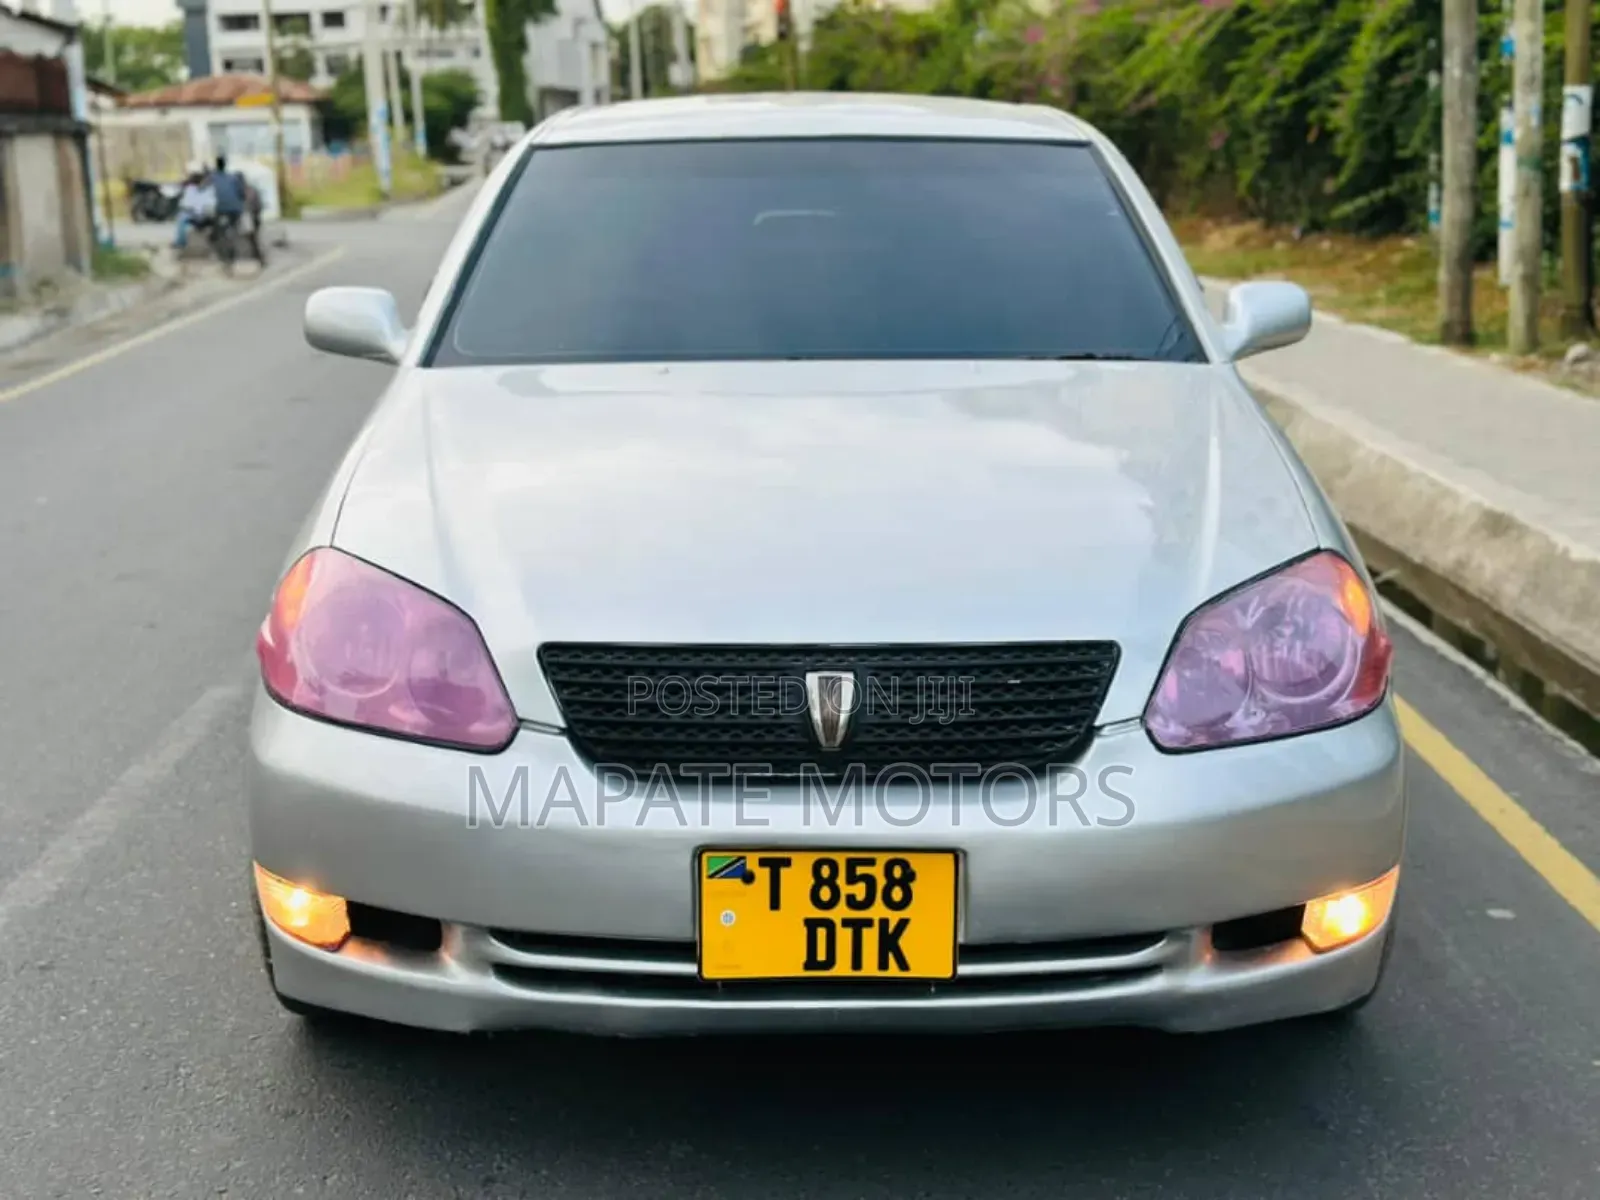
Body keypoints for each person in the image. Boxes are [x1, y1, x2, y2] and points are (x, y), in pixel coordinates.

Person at [213, 154, 267, 268]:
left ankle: (225, 257)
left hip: (222, 210)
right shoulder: (234, 180)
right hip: (238, 211)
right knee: (249, 233)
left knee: (218, 230)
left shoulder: (214, 178)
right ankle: (259, 258)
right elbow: (245, 197)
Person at [172, 161, 214, 251]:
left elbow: (185, 205)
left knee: (181, 218)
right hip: (206, 215)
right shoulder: (209, 188)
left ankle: (180, 243)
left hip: (198, 216)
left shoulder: (191, 189)